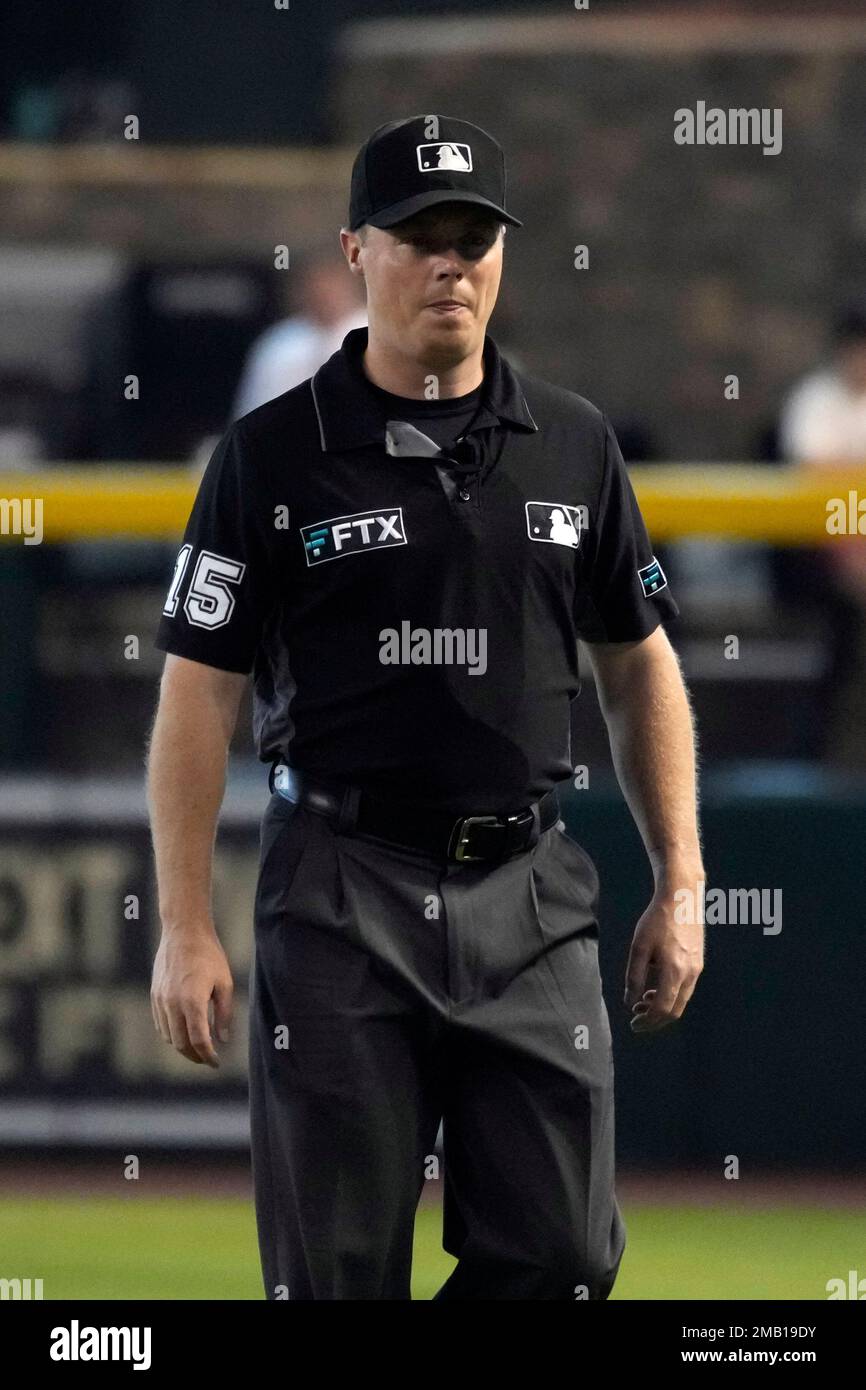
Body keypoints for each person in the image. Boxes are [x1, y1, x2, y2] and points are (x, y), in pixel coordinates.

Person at [148, 114, 705, 1300]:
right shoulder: (269, 456)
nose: (449, 263)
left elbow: (637, 662)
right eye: (417, 236)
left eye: (472, 238)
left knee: (561, 1259)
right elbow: (199, 690)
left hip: (529, 882)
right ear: (356, 249)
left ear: (501, 256)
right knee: (337, 1276)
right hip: (343, 885)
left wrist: (684, 880)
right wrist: (186, 922)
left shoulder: (572, 442)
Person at [231, 252, 367, 418]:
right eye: (316, 283)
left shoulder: (380, 335)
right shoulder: (279, 343)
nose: (325, 292)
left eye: (332, 282)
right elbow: (254, 412)